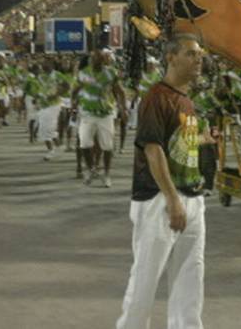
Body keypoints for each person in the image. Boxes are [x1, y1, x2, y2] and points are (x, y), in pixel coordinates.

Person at [116, 35, 210, 329]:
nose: (199, 60)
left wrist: (204, 139)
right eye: (191, 54)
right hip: (160, 200)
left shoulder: (185, 100)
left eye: (200, 55)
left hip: (192, 197)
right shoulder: (157, 97)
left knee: (190, 277)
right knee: (145, 280)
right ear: (171, 57)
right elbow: (153, 149)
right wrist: (172, 200)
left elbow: (177, 142)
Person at [72, 49, 124, 187]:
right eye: (93, 59)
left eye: (98, 59)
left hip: (105, 114)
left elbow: (120, 91)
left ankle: (106, 174)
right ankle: (91, 170)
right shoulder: (84, 73)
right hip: (87, 113)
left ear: (103, 61)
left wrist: (123, 108)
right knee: (84, 143)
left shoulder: (110, 73)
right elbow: (75, 90)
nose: (95, 62)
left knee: (107, 146)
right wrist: (73, 104)